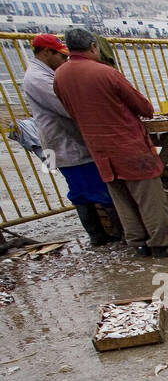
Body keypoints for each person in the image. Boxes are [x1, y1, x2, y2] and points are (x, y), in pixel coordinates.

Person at [52, 28, 168, 258]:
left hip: (99, 149)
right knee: (149, 197)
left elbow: (70, 111)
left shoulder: (60, 76)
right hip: (127, 144)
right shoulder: (105, 73)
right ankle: (163, 243)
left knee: (122, 198)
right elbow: (144, 107)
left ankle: (137, 242)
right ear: (93, 47)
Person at [21, 33, 117, 246]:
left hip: (66, 143)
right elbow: (67, 107)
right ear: (46, 52)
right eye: (61, 56)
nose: (64, 60)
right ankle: (103, 236)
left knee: (85, 188)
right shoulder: (37, 78)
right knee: (91, 189)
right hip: (63, 144)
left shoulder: (46, 74)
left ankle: (103, 235)